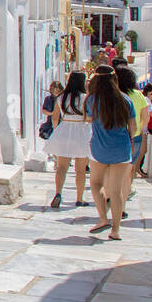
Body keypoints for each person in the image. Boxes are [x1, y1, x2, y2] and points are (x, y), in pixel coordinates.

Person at [85, 66, 137, 240]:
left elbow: (89, 119)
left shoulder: (92, 100)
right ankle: (116, 230)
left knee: (96, 184)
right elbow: (134, 127)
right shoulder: (125, 100)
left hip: (100, 147)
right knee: (115, 191)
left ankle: (102, 218)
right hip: (121, 149)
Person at [45, 71, 91, 208]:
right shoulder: (85, 98)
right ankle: (79, 198)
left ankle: (58, 193)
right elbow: (89, 117)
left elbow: (55, 117)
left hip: (64, 130)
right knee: (80, 170)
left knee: (62, 168)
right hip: (81, 131)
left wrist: (57, 132)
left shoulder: (61, 97)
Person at [114, 64, 149, 181]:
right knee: (130, 168)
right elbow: (146, 116)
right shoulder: (138, 94)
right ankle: (126, 191)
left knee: (113, 166)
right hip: (135, 135)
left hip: (115, 134)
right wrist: (140, 128)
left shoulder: (113, 95)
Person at [139, 83, 152, 176]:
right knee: (143, 150)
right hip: (142, 129)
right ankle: (137, 169)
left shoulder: (142, 99)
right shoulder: (146, 100)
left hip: (141, 128)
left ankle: (137, 169)